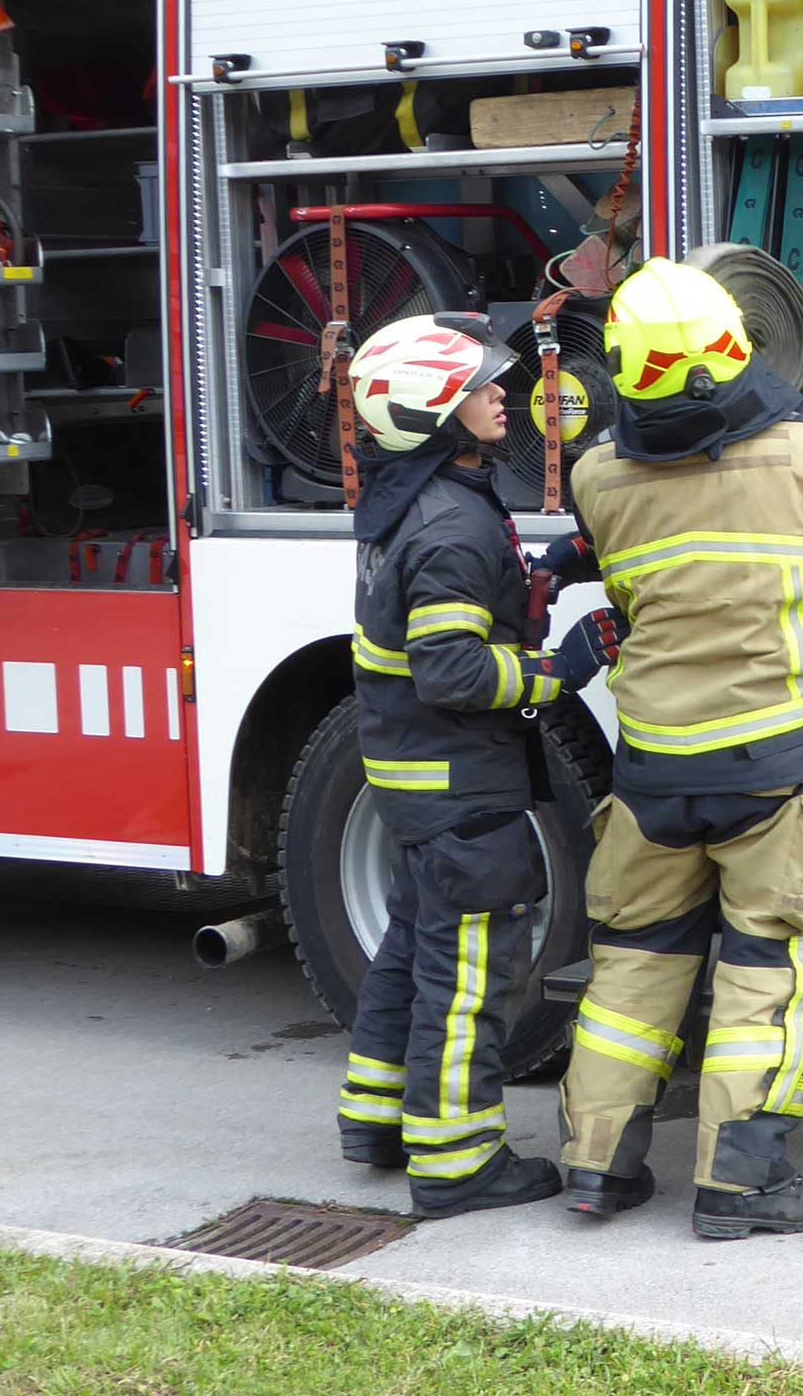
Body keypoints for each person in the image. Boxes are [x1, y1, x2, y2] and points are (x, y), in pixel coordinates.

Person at [554, 259, 803, 1239]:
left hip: (652, 767)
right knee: (769, 966)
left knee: (634, 965)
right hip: (771, 766)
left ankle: (596, 1166)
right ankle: (741, 1185)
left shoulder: (595, 476)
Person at [334, 313, 625, 1217]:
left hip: (417, 778)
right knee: (469, 976)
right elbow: (453, 669)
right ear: (433, 413)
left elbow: (450, 617)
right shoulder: (450, 526)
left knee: (411, 949)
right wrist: (561, 669)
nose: (504, 394)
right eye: (479, 387)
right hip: (460, 786)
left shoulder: (418, 500)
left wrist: (547, 569)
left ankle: (377, 1119)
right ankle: (457, 1162)